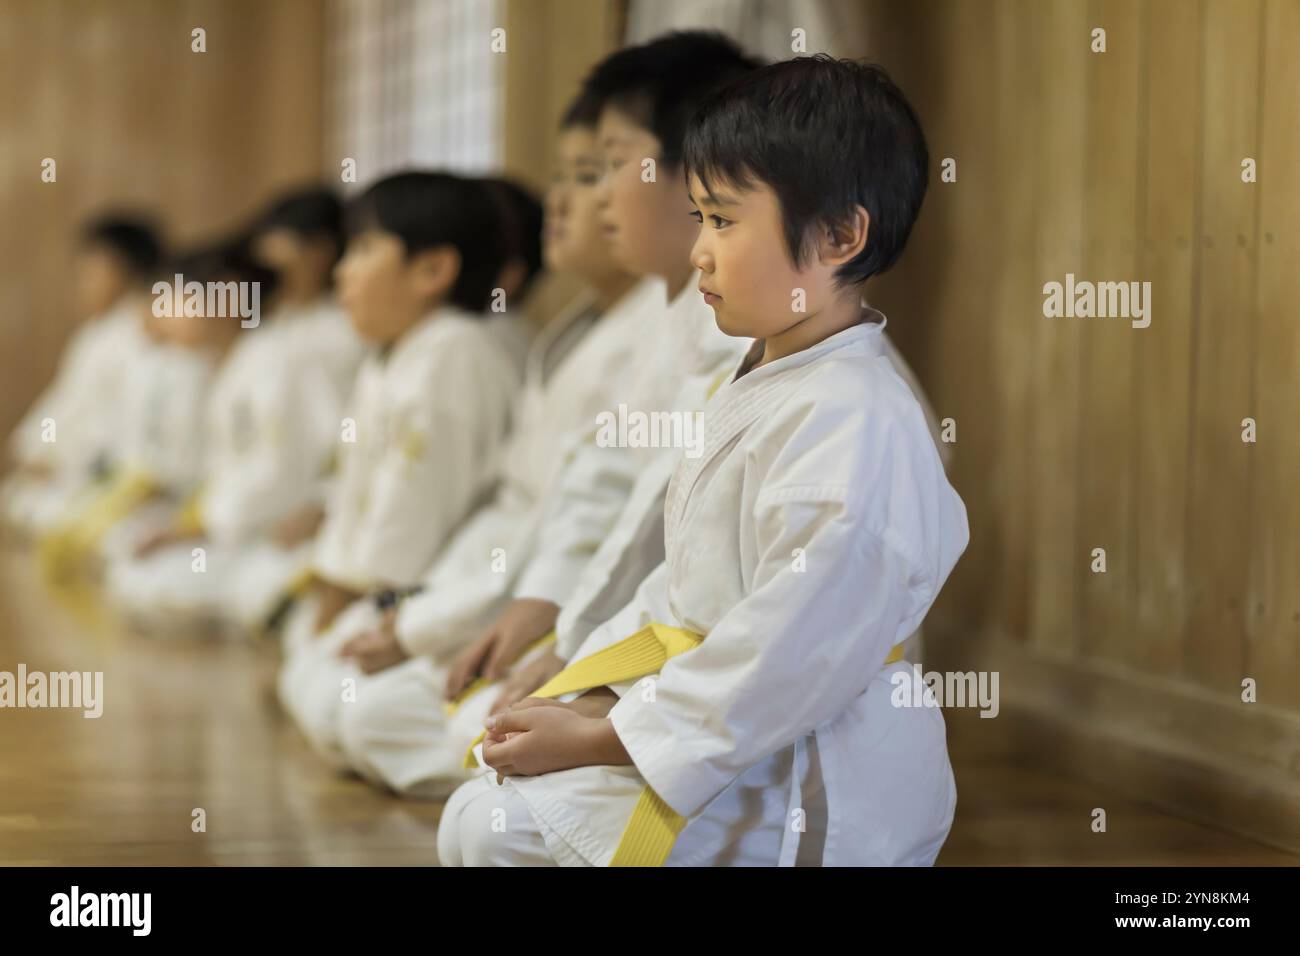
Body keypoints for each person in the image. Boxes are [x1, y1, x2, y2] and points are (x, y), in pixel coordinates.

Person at [439, 54, 968, 867]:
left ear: (838, 235)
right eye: (698, 219)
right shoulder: (761, 376)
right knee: (486, 799)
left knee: (494, 831)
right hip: (731, 739)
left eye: (722, 221)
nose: (699, 253)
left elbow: (786, 655)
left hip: (809, 783)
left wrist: (605, 738)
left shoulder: (856, 420)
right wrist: (593, 688)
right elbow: (683, 590)